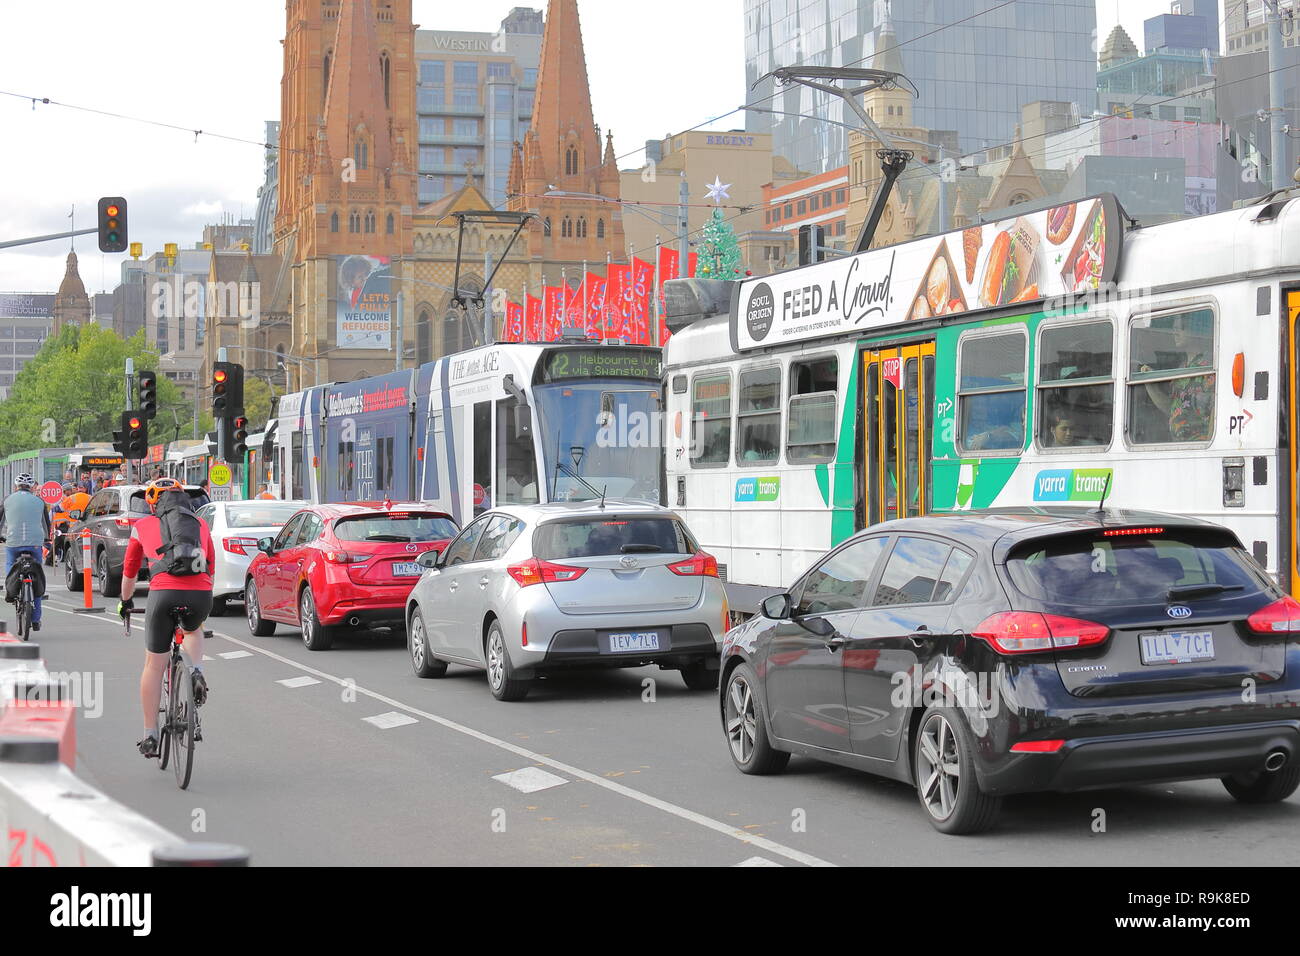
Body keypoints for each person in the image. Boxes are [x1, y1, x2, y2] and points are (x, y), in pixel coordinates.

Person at [117, 478, 216, 759]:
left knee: (154, 663)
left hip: (163, 596)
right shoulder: (201, 524)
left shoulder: (142, 526)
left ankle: (150, 735)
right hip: (201, 594)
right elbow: (210, 566)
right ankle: (196, 670)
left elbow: (130, 570)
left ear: (153, 503)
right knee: (194, 629)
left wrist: (125, 602)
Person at [0, 474, 51, 631]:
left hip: (13, 542)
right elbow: (46, 524)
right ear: (31, 487)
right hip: (35, 544)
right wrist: (47, 539)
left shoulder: (7, 500)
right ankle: (35, 620)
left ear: (16, 486)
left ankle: (10, 589)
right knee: (37, 577)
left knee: (10, 563)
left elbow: (0, 520)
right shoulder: (40, 501)